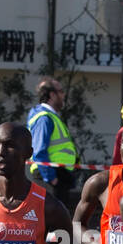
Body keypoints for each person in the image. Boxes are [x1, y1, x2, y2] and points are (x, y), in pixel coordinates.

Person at [28, 77, 78, 206]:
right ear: (52, 94)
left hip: (57, 175)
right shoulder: (44, 118)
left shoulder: (50, 116)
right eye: (60, 91)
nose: (63, 95)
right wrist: (52, 178)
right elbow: (38, 151)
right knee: (53, 223)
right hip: (50, 177)